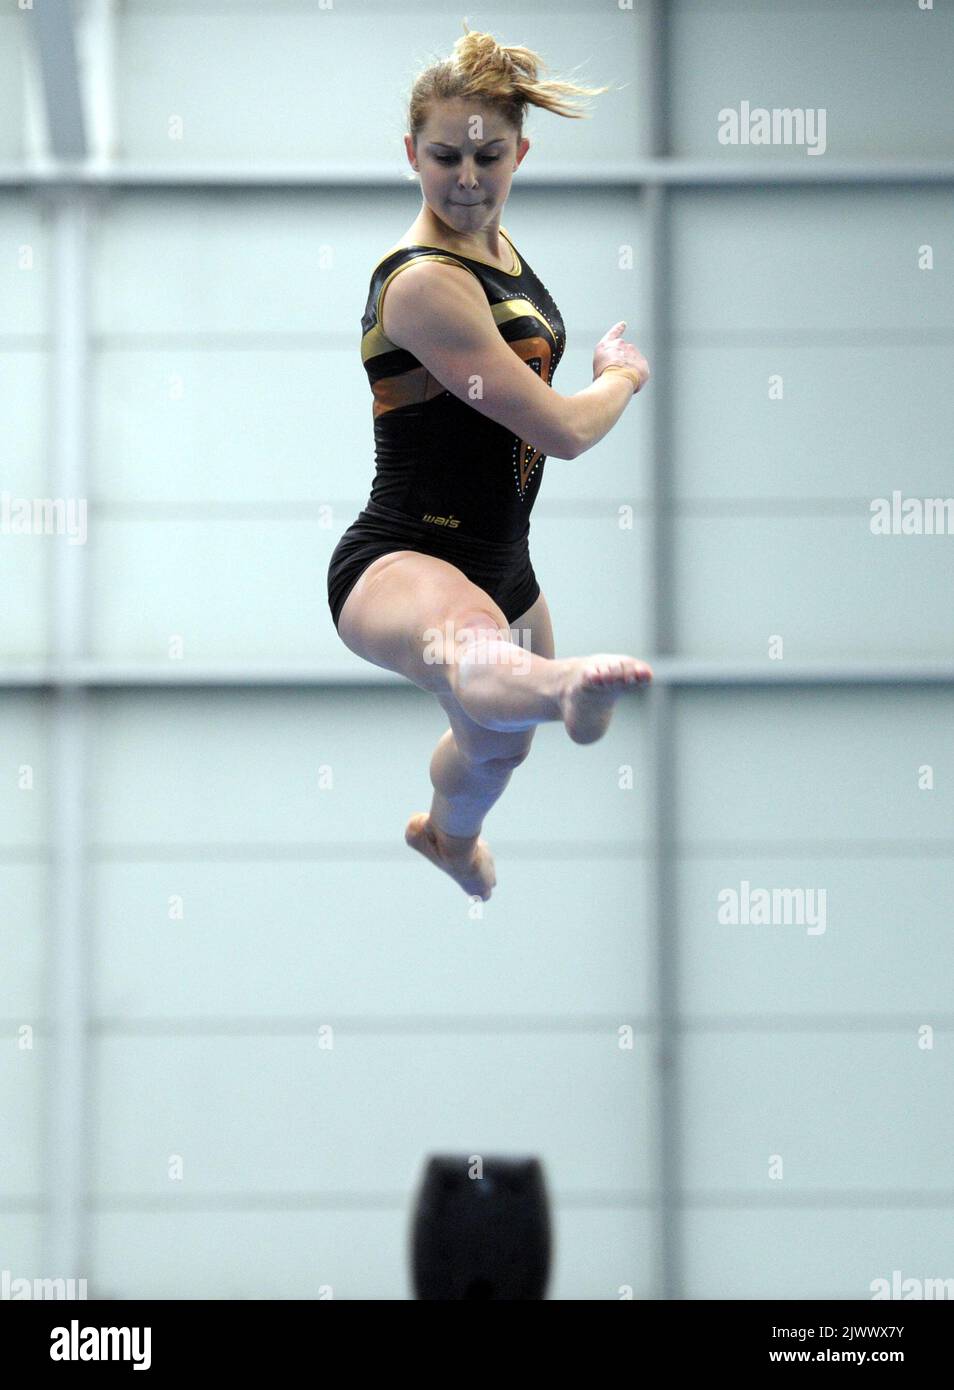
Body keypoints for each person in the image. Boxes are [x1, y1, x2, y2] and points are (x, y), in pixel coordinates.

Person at [327, 24, 653, 902]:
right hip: (402, 554)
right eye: (443, 158)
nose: (466, 179)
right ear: (411, 152)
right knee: (474, 650)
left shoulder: (500, 255)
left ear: (519, 152)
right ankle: (565, 684)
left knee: (495, 743)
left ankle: (449, 838)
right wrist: (621, 381)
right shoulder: (424, 282)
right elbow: (561, 431)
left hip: (506, 557)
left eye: (489, 157)